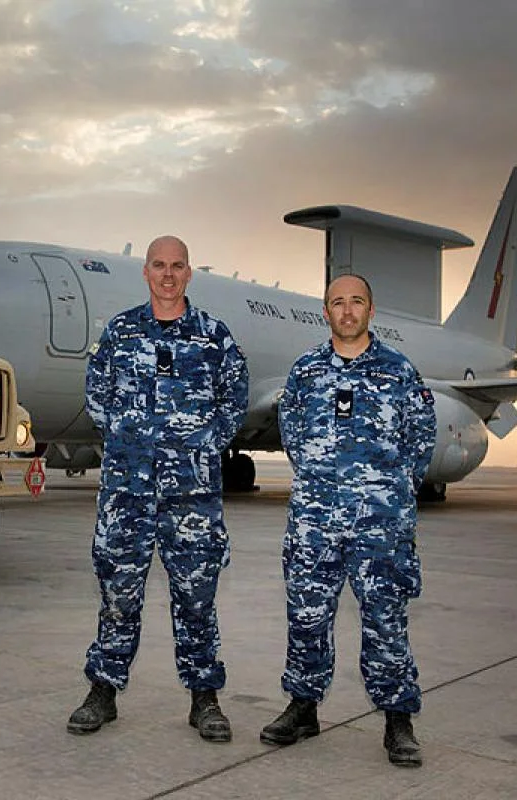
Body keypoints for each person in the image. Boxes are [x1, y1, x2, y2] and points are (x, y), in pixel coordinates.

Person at [67, 235, 249, 742]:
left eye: (177, 266)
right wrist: (134, 444)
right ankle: (103, 690)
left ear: (189, 273)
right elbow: (98, 398)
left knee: (197, 598)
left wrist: (199, 446)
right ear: (146, 273)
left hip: (192, 498)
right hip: (128, 492)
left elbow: (234, 401)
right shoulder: (121, 333)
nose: (168, 274)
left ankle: (204, 698)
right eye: (158, 265)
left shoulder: (214, 337)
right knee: (118, 594)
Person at [261, 273, 436, 767]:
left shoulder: (398, 372)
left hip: (380, 525)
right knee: (307, 615)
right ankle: (303, 705)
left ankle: (398, 719)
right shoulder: (306, 372)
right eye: (337, 302)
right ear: (326, 312)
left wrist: (389, 494)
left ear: (370, 310)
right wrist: (324, 489)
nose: (347, 310)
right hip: (315, 520)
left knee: (385, 618)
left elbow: (421, 441)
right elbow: (293, 438)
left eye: (356, 301)